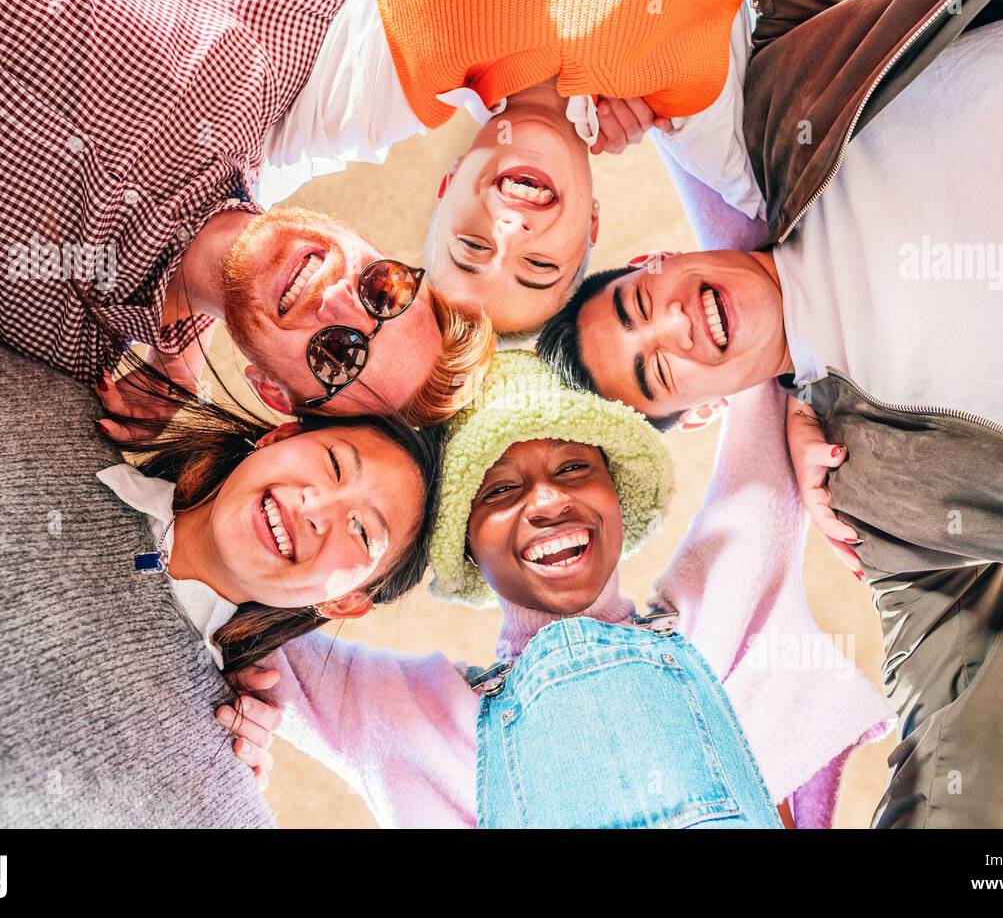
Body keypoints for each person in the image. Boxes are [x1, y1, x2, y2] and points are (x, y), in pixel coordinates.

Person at [536, 0, 1003, 827]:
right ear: (708, 411)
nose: (674, 326)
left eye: (641, 305)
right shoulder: (871, 489)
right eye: (658, 370)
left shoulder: (784, 96)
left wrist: (582, 83)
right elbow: (970, 750)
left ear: (659, 260)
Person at [210, 351, 892, 826]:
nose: (545, 500)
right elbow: (219, 590)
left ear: (618, 496)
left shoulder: (722, 610)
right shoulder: (410, 717)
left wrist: (793, 402)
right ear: (469, 547)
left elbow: (755, 323)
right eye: (499, 490)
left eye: (573, 467)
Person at [0, 0, 494, 428]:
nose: (334, 299)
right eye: (382, 292)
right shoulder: (263, 50)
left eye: (337, 355)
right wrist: (558, 108)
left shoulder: (63, 357)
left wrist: (176, 357)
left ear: (273, 392)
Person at [261, 0, 758, 336]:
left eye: (472, 246)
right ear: (591, 226)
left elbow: (246, 161)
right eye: (539, 266)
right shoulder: (695, 110)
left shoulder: (395, 76)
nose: (510, 232)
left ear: (449, 181)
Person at [94, 363, 446, 785]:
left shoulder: (211, 734)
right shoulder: (60, 430)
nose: (313, 508)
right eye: (333, 464)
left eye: (362, 531)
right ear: (279, 437)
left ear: (344, 602)